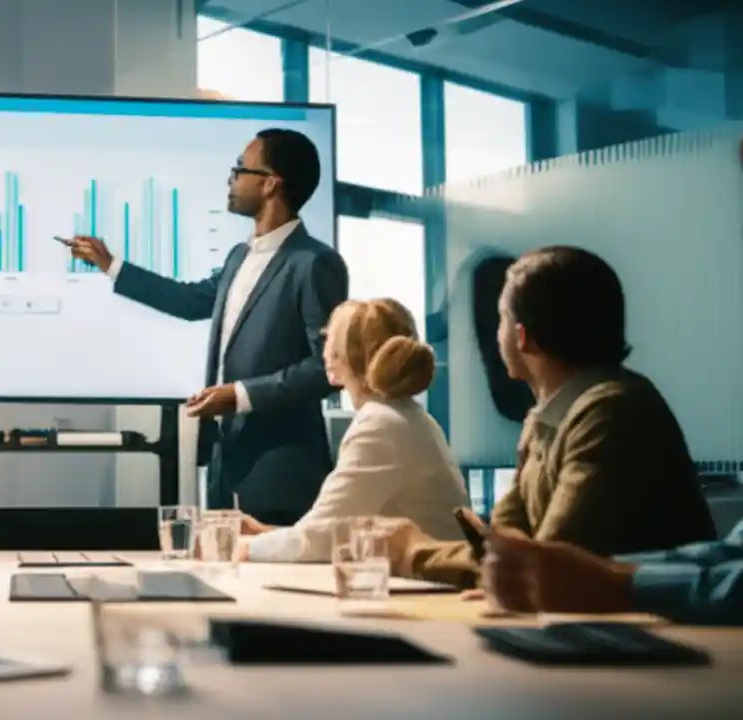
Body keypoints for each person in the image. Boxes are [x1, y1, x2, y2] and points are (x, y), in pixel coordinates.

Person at [390, 246, 715, 588]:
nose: (494, 334)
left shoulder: (611, 413)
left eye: (501, 318)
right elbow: (501, 551)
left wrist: (411, 551)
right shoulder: (547, 417)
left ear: (521, 336)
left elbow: (543, 566)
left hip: (655, 636)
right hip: (598, 628)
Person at [69, 129, 349, 525]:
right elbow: (188, 301)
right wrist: (110, 265)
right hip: (225, 464)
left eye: (239, 169)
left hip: (281, 470)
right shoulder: (239, 256)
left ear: (270, 183)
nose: (230, 180)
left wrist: (241, 395)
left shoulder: (314, 262)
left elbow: (329, 368)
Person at [236, 298, 469, 562]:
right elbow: (332, 531)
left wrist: (241, 548)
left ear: (335, 362)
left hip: (432, 592)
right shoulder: (405, 416)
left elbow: (321, 540)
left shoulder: (380, 425)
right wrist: (263, 535)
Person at [481, 520, 743, 625]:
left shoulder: (606, 411)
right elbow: (731, 551)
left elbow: (560, 529)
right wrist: (605, 569)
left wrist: (621, 585)